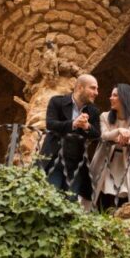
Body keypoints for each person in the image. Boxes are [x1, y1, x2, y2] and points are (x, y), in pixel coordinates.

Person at [39, 74, 101, 203]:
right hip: (54, 158)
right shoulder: (57, 101)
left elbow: (97, 134)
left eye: (97, 89)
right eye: (93, 88)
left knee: (70, 202)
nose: (96, 93)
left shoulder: (93, 111)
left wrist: (86, 126)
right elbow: (50, 124)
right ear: (79, 88)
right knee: (50, 198)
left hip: (76, 163)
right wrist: (74, 123)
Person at [90, 83, 130, 211]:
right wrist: (119, 130)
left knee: (122, 196)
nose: (110, 98)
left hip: (123, 164)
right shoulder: (104, 116)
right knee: (101, 194)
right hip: (105, 161)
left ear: (124, 98)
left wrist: (124, 137)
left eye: (114, 95)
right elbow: (104, 135)